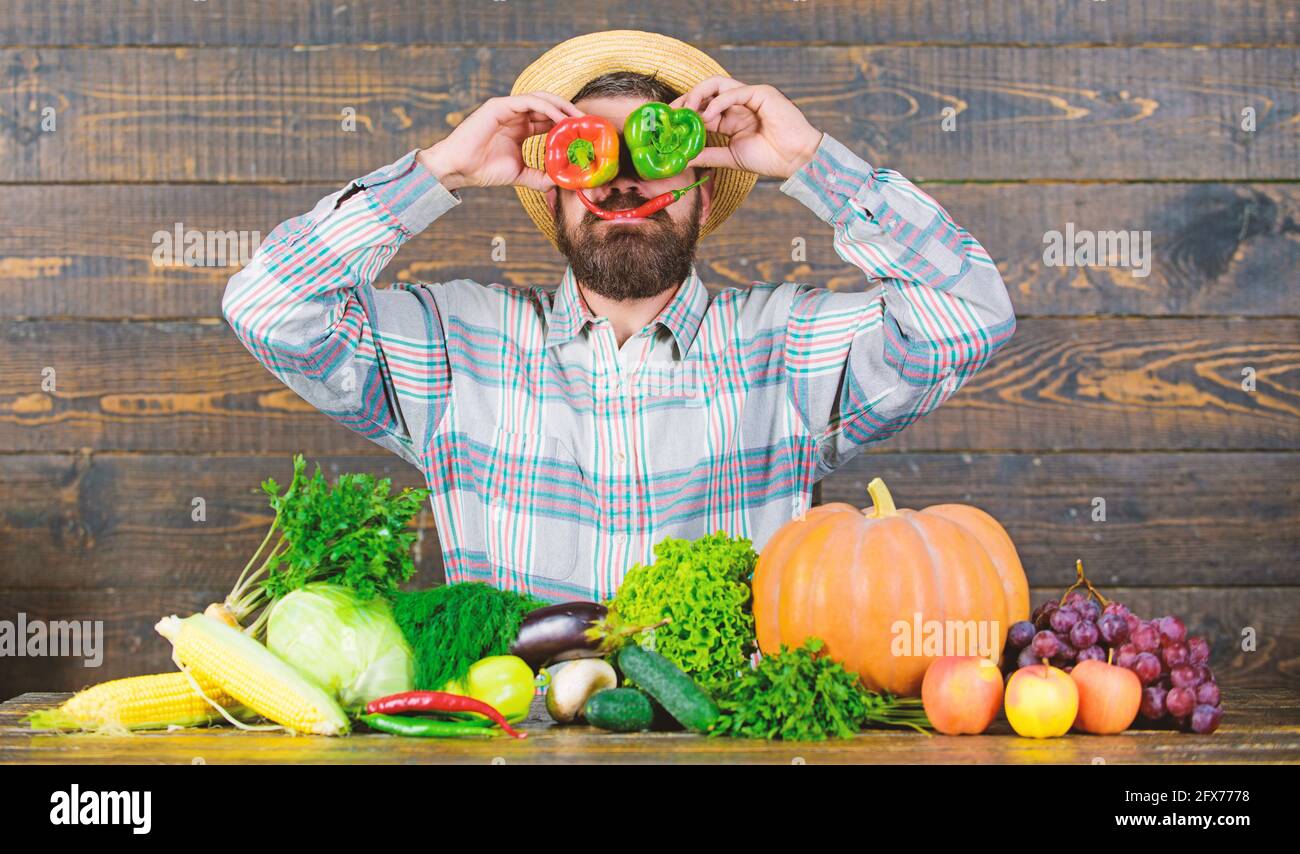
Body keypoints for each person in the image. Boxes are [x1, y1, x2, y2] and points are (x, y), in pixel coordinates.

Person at [222, 31, 1016, 602]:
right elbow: (269, 306)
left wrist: (816, 165)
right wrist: (441, 170)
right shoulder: (453, 345)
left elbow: (970, 312)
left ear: (705, 189)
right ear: (555, 190)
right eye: (592, 154)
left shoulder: (792, 344)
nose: (626, 184)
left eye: (660, 154)